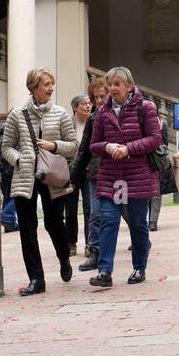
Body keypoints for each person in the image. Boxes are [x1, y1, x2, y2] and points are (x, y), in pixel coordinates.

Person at [0, 67, 78, 295]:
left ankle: (64, 256)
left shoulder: (61, 113)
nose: (50, 88)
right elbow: (6, 147)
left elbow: (74, 146)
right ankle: (36, 279)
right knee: (27, 228)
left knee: (54, 224)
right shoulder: (17, 114)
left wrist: (54, 146)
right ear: (34, 87)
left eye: (52, 84)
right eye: (46, 84)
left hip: (52, 177)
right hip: (25, 178)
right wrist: (19, 160)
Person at [89, 66, 161, 287]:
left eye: (117, 84)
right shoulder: (103, 111)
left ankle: (139, 268)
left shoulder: (145, 108)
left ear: (129, 86)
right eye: (110, 84)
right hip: (111, 177)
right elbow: (93, 145)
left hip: (136, 176)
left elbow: (155, 139)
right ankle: (104, 272)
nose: (112, 88)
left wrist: (129, 148)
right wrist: (108, 146)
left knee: (137, 223)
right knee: (108, 221)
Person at [71, 78, 107, 271]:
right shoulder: (93, 119)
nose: (99, 100)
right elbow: (84, 151)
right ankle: (95, 252)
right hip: (95, 172)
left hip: (120, 172)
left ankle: (140, 243)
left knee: (128, 213)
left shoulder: (123, 115)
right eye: (96, 97)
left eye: (103, 96)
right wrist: (72, 177)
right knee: (95, 213)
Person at [61, 92, 90, 255]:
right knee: (70, 209)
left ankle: (90, 243)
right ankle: (71, 242)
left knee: (89, 208)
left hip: (88, 171)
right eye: (83, 104)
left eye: (88, 103)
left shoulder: (93, 122)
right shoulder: (67, 124)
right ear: (74, 107)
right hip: (71, 171)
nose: (87, 106)